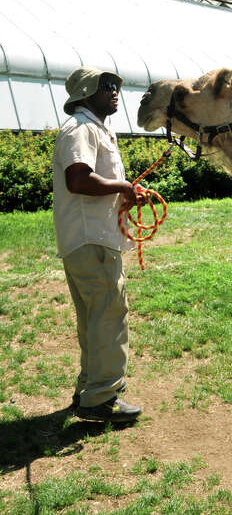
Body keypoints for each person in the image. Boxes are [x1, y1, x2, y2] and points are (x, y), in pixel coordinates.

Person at [53, 65, 144, 423]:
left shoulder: (95, 129)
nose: (114, 90)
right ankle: (101, 399)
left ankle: (89, 390)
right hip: (91, 240)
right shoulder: (81, 128)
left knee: (95, 319)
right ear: (86, 94)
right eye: (106, 85)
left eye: (115, 85)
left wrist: (125, 194)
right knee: (108, 315)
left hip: (90, 238)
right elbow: (78, 179)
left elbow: (92, 184)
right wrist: (123, 187)